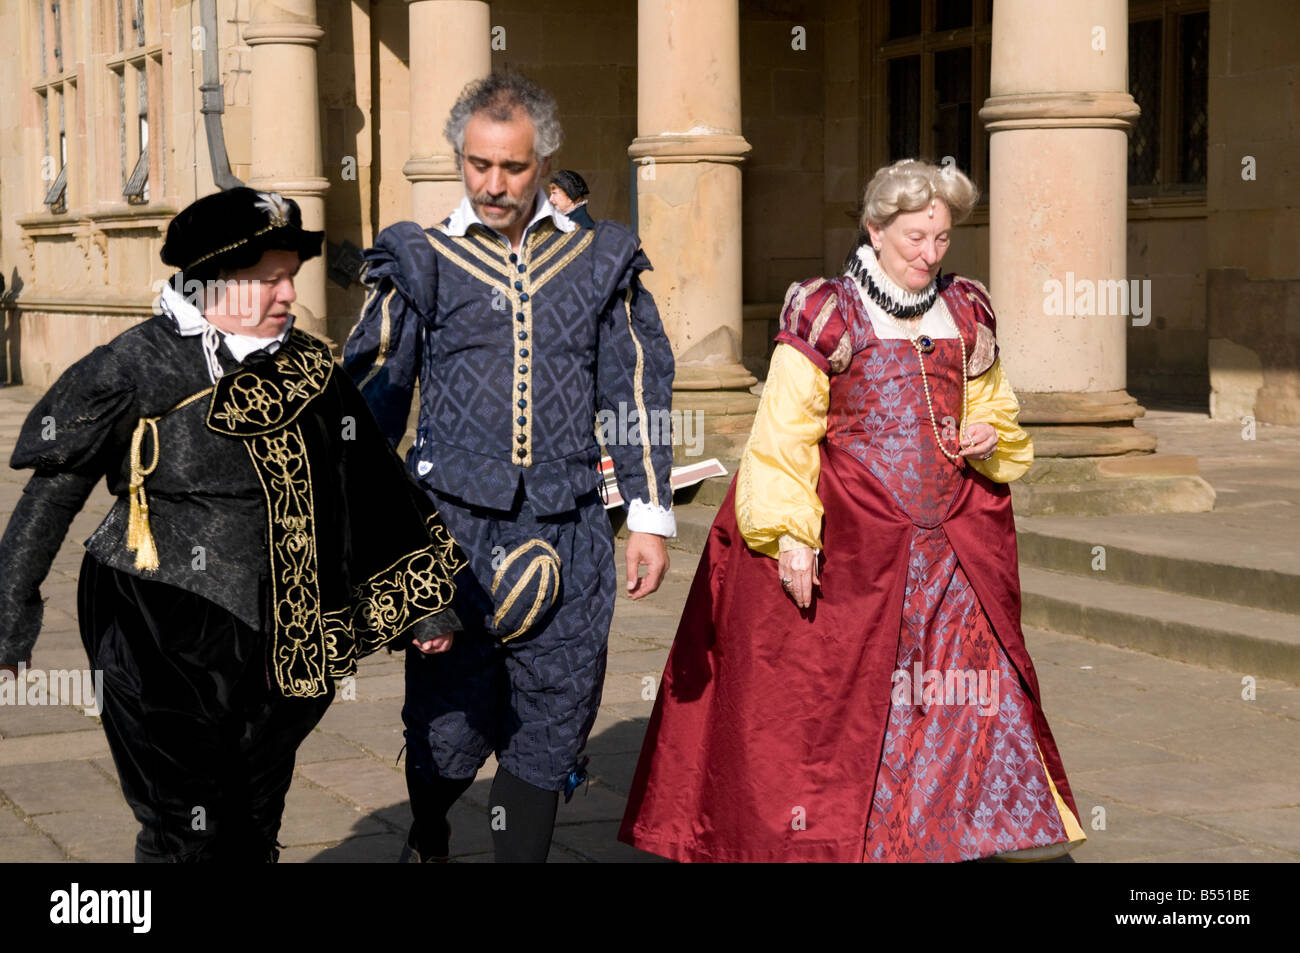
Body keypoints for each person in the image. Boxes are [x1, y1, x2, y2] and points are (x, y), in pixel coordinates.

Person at [619, 159, 1087, 863]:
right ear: (875, 227)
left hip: (953, 541)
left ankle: (961, 828)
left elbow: (993, 400)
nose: (930, 254)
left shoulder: (966, 307)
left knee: (964, 696)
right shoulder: (827, 308)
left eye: (941, 239)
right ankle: (860, 835)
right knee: (848, 705)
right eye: (914, 239)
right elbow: (783, 431)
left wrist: (987, 430)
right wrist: (790, 535)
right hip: (856, 544)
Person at [0, 187, 464, 862]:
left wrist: (425, 605)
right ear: (212, 278)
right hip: (160, 625)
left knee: (252, 814)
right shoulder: (138, 363)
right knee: (186, 824)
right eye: (267, 279)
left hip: (289, 633)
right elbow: (53, 492)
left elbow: (371, 478)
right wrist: (11, 611)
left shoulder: (309, 364)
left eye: (289, 277)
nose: (286, 294)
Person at [344, 72, 675, 863]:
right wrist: (365, 528)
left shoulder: (602, 259)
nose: (495, 185)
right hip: (451, 536)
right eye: (479, 165)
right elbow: (371, 400)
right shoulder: (420, 259)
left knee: (552, 725)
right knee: (449, 733)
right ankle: (428, 832)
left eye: (515, 168)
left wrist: (651, 514)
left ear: (544, 159)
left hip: (569, 532)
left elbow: (635, 384)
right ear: (460, 158)